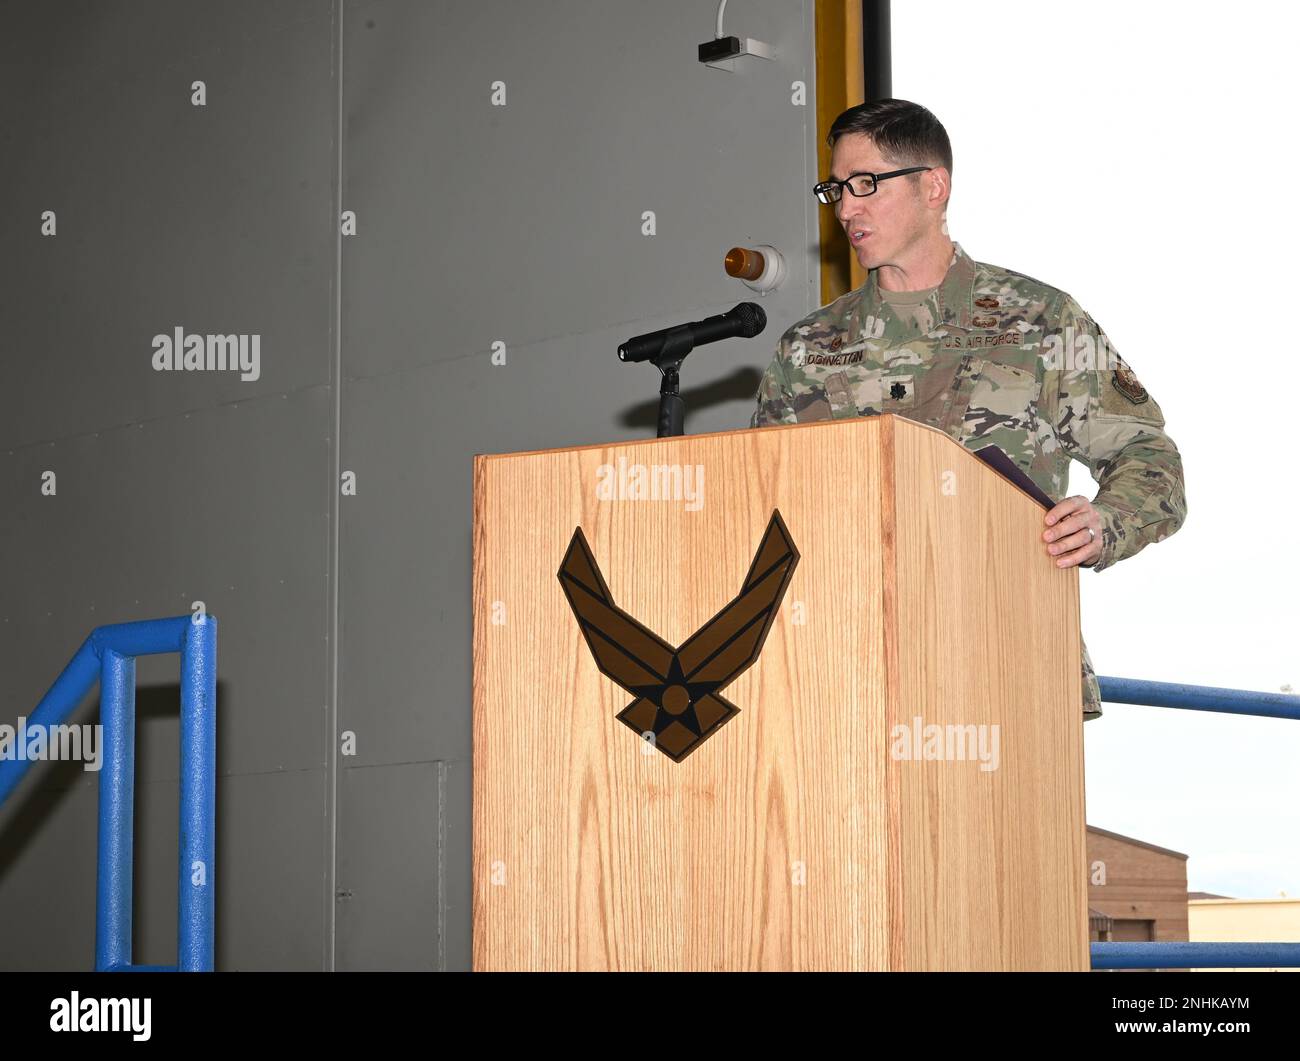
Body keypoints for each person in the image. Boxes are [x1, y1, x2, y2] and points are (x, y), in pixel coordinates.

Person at [748, 99, 1187, 719]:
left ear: (934, 186)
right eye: (836, 189)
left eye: (866, 184)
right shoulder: (809, 349)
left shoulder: (1037, 319)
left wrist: (1103, 523)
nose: (847, 208)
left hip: (1010, 664)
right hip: (844, 675)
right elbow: (764, 508)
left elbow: (1150, 457)